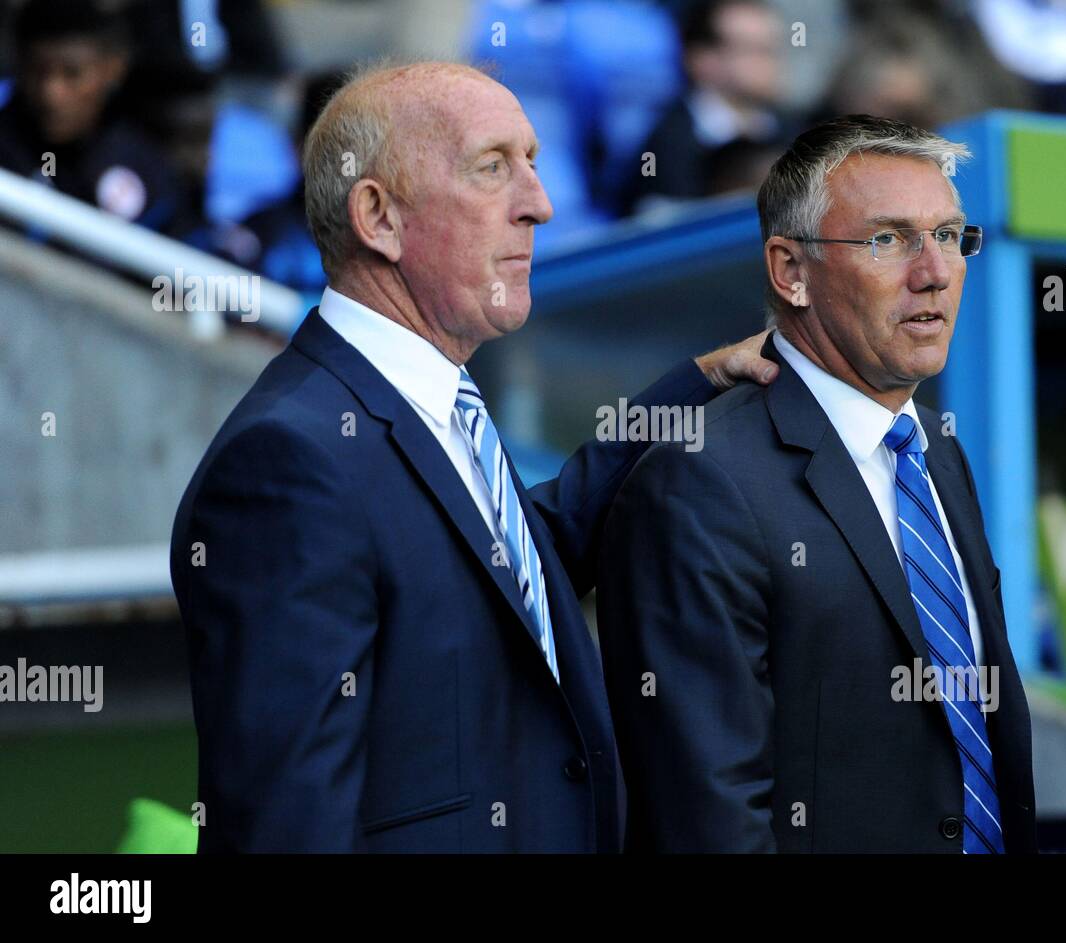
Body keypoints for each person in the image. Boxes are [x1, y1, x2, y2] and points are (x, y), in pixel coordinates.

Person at [170, 61, 776, 853]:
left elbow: (506, 569)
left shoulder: (431, 397)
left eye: (533, 161)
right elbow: (286, 824)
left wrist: (696, 384)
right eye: (492, 167)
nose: (540, 204)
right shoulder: (284, 461)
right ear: (379, 217)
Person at [598, 114, 1037, 853]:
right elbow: (712, 819)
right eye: (888, 239)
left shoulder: (937, 450)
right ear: (790, 271)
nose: (934, 271)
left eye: (949, 235)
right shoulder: (697, 482)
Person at [0, 0, 183, 233]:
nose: (51, 94)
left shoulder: (147, 172)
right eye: (38, 72)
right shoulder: (6, 147)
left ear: (113, 69)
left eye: (72, 74)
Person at [619, 0, 789, 214]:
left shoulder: (791, 130)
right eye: (754, 50)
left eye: (772, 48)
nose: (771, 62)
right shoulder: (667, 147)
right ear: (702, 59)